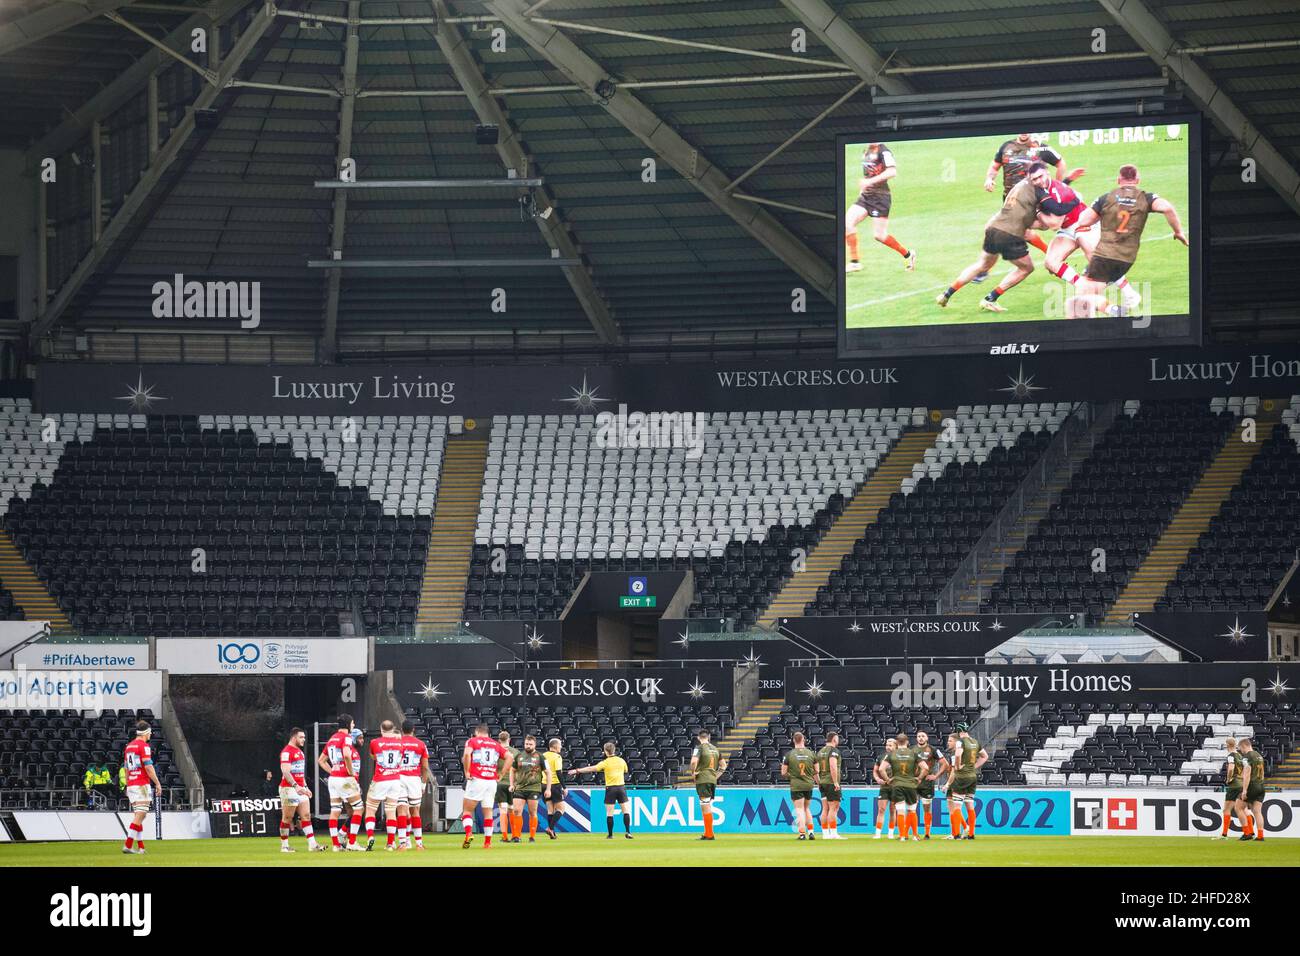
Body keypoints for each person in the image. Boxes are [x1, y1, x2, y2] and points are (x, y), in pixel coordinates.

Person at [937, 161, 1075, 312]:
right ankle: (990, 298)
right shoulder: (1038, 190)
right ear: (1033, 175)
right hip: (1010, 235)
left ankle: (946, 294)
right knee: (1026, 268)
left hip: (993, 228)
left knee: (982, 265)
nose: (1039, 181)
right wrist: (1075, 201)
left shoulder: (1019, 185)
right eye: (1036, 178)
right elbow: (1056, 208)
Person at [1066, 164, 1188, 317]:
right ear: (1137, 180)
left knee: (1080, 299)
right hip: (1127, 259)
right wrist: (1178, 232)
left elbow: (1083, 221)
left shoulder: (1106, 198)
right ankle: (1115, 308)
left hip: (1105, 256)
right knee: (1088, 296)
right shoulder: (1145, 198)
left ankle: (1113, 313)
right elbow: (1167, 207)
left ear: (1119, 180)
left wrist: (1101, 215)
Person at [844, 142, 916, 274]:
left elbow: (892, 172)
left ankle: (908, 254)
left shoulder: (884, 151)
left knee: (879, 235)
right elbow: (868, 175)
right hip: (866, 197)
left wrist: (869, 182)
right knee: (847, 222)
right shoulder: (866, 150)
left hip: (881, 198)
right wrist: (862, 190)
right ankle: (855, 262)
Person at [318, 714, 365, 852]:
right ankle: (352, 842)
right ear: (348, 724)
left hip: (333, 779)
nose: (354, 725)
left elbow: (321, 760)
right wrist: (350, 772)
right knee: (359, 808)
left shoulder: (332, 739)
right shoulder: (347, 738)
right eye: (353, 723)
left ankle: (336, 845)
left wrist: (333, 770)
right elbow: (346, 755)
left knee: (335, 811)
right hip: (344, 778)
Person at [461, 723, 511, 849]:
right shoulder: (495, 744)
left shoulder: (472, 741)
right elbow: (510, 757)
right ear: (488, 733)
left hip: (477, 779)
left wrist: (467, 771)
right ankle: (487, 843)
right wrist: (502, 773)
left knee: (467, 810)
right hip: (491, 782)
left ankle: (468, 834)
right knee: (488, 811)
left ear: (477, 732)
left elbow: (467, 754)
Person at [570, 741, 633, 839]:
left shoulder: (605, 762)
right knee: (625, 811)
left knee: (609, 813)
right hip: (621, 787)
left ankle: (611, 835)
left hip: (611, 788)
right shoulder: (621, 760)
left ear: (605, 751)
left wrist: (577, 770)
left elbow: (592, 768)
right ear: (614, 750)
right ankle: (628, 832)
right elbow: (626, 770)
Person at [363, 720, 406, 851]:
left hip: (380, 779)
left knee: (370, 809)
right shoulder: (400, 743)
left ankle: (370, 836)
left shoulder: (374, 742)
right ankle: (390, 843)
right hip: (395, 780)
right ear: (393, 730)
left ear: (381, 730)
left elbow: (373, 757)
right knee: (391, 812)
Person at [278, 727, 322, 853]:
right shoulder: (286, 752)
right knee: (287, 817)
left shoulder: (300, 752)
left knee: (306, 815)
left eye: (304, 737)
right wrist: (296, 786)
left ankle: (312, 844)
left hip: (300, 788)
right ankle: (284, 846)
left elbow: (300, 774)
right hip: (288, 788)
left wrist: (306, 787)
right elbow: (285, 771)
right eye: (301, 737)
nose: (304, 739)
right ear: (293, 737)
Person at [121, 723, 161, 855]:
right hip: (141, 784)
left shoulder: (129, 746)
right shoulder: (144, 746)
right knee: (141, 815)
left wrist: (128, 784)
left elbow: (126, 768)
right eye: (150, 733)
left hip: (132, 783)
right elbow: (149, 768)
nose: (150, 735)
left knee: (139, 816)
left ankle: (141, 848)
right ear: (146, 732)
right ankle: (128, 844)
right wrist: (157, 783)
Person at [880, 732, 927, 842]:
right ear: (907, 742)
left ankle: (902, 836)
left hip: (897, 785)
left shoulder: (891, 754)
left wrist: (888, 780)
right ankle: (915, 835)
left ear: (896, 742)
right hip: (911, 785)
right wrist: (919, 778)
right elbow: (925, 768)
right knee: (912, 810)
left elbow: (881, 769)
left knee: (900, 810)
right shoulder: (913, 753)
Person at [947, 723, 988, 840]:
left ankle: (956, 834)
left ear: (959, 731)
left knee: (957, 806)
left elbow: (958, 754)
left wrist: (958, 765)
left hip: (962, 777)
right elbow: (985, 756)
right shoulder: (975, 742)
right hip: (972, 776)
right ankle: (971, 834)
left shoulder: (960, 742)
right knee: (970, 805)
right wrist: (974, 766)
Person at [399, 720, 431, 850]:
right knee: (415, 811)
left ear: (402, 730)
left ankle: (402, 844)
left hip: (399, 778)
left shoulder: (397, 743)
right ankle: (419, 844)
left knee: (401, 810)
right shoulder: (421, 744)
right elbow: (424, 767)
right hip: (413, 779)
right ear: (413, 730)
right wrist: (423, 784)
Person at [690, 729, 726, 841]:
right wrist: (715, 776)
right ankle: (708, 833)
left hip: (703, 779)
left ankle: (709, 834)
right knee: (707, 805)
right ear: (708, 737)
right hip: (711, 780)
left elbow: (693, 762)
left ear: (698, 737)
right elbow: (723, 766)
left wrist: (693, 773)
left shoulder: (699, 748)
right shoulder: (716, 749)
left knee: (705, 806)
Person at [781, 731, 817, 840]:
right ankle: (811, 832)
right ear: (803, 740)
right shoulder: (811, 753)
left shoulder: (789, 755)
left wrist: (791, 775)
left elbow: (783, 773)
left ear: (793, 741)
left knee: (799, 809)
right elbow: (817, 771)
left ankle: (802, 833)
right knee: (807, 808)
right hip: (809, 784)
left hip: (796, 785)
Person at [509, 735, 546, 843]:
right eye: (526, 744)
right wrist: (512, 784)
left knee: (532, 812)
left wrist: (547, 788)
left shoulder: (540, 756)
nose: (528, 746)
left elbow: (547, 772)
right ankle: (516, 836)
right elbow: (512, 770)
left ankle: (532, 836)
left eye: (530, 744)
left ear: (535, 744)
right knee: (516, 811)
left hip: (534, 788)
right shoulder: (519, 756)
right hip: (519, 788)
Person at [913, 730, 947, 840]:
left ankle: (927, 833)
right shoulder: (911, 750)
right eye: (919, 736)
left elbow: (944, 764)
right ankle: (914, 834)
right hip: (914, 782)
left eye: (923, 736)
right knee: (912, 808)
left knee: (926, 808)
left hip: (927, 783)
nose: (921, 738)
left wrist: (936, 776)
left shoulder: (933, 750)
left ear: (927, 738)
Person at [1214, 737, 1249, 841]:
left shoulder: (1231, 756)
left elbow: (1231, 768)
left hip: (1234, 785)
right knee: (1244, 810)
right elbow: (1245, 769)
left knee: (1226, 810)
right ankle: (1250, 832)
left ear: (1227, 745)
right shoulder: (1240, 755)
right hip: (1241, 784)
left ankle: (1224, 834)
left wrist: (1229, 779)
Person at [814, 732, 844, 840]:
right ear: (834, 739)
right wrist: (835, 782)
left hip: (822, 783)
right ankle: (834, 833)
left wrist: (818, 782)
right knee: (834, 808)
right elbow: (833, 766)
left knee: (825, 809)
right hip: (831, 782)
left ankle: (825, 834)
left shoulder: (820, 752)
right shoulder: (834, 751)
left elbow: (815, 770)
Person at [1237, 738, 1266, 843]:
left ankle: (1247, 833)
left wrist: (1244, 790)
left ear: (1244, 745)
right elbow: (1262, 773)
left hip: (1252, 786)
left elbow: (1247, 774)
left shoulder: (1247, 757)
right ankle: (1260, 836)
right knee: (1257, 811)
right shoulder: (1259, 755)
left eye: (1241, 748)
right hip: (1261, 785)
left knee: (1238, 808)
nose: (1241, 751)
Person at [494, 731, 519, 844]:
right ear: (509, 739)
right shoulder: (516, 752)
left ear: (499, 740)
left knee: (502, 809)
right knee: (512, 809)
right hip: (512, 785)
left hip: (499, 784)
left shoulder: (495, 751)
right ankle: (515, 836)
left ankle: (504, 837)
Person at [541, 737, 566, 840]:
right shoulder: (557, 757)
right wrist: (564, 787)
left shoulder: (543, 756)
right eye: (560, 745)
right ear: (555, 746)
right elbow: (558, 772)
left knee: (550, 810)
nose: (561, 747)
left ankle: (552, 833)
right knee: (561, 809)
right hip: (555, 785)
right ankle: (550, 828)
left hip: (544, 785)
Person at [873, 737, 897, 839]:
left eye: (890, 745)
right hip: (884, 787)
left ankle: (890, 833)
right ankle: (878, 833)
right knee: (881, 809)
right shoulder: (881, 757)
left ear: (896, 746)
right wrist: (877, 779)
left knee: (893, 810)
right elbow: (875, 771)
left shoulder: (899, 757)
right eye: (887, 745)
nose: (888, 747)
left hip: (895, 787)